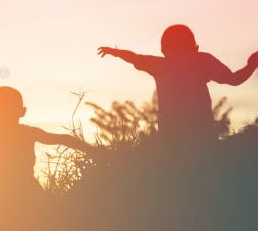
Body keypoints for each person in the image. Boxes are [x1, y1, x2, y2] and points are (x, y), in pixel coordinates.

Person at [99, 24, 258, 143]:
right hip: (203, 137)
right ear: (195, 47)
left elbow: (134, 57)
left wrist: (115, 52)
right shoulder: (202, 60)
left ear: (164, 50)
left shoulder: (159, 65)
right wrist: (252, 64)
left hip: (171, 141)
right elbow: (235, 79)